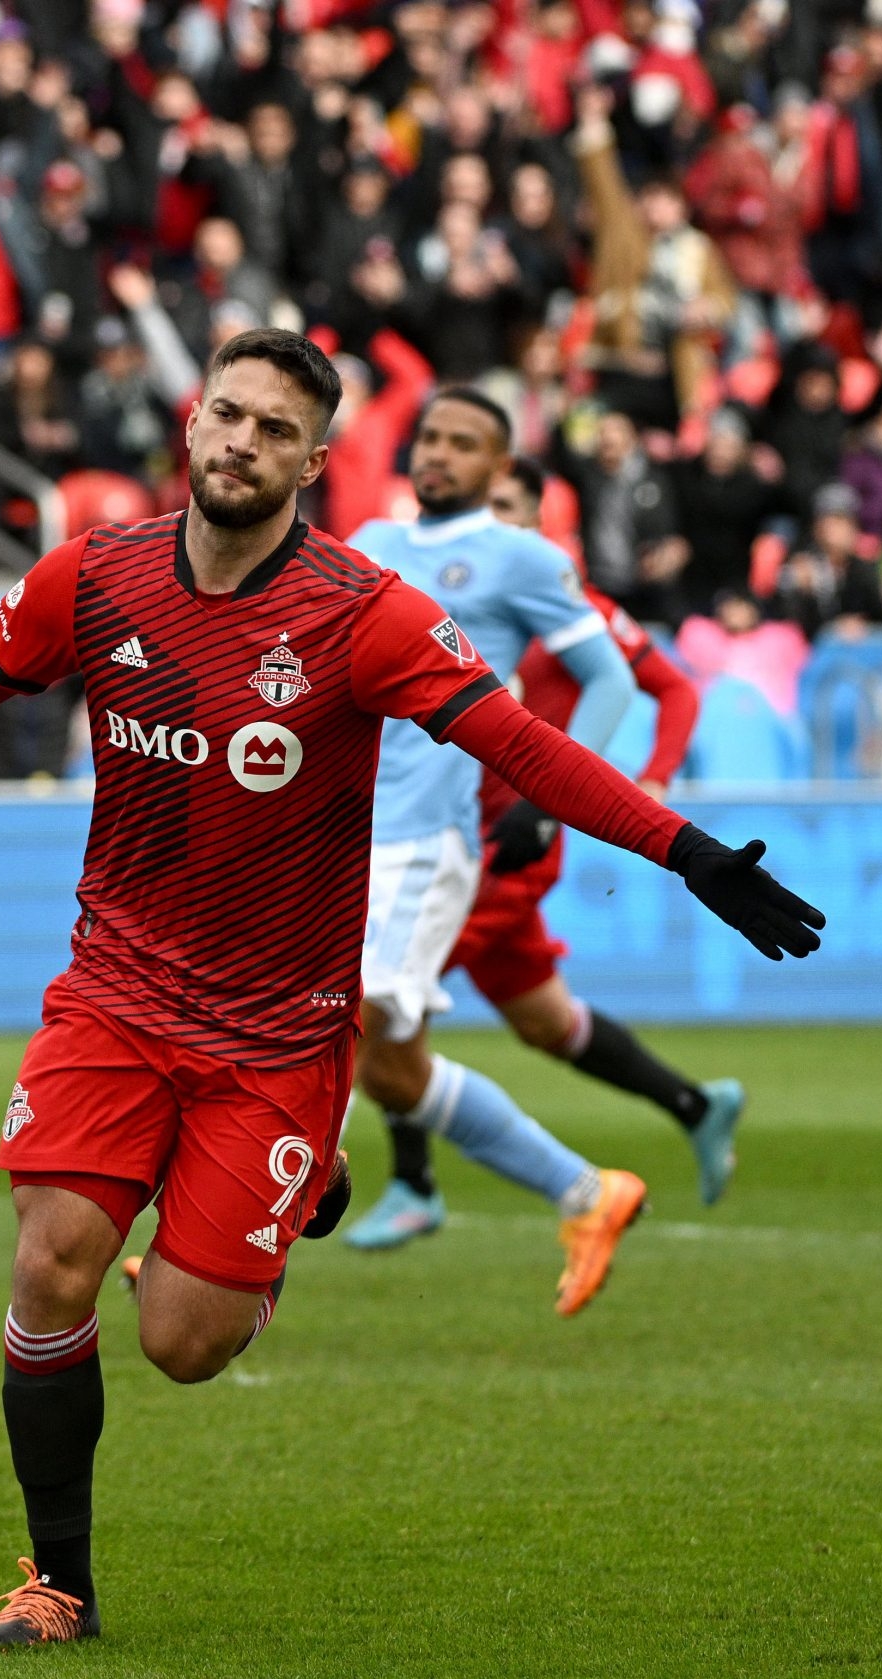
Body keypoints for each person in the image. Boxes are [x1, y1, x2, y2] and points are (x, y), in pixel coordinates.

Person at [0, 329, 825, 1648]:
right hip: (117, 987)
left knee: (187, 1342)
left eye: (274, 430)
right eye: (227, 413)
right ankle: (58, 1586)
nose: (241, 441)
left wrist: (689, 848)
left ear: (314, 463)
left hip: (279, 1029)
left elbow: (524, 745)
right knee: (52, 1267)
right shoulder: (99, 575)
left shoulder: (365, 614)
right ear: (191, 424)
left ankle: (297, 1184)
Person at [352, 457, 738, 1250]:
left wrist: (652, 776)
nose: (485, 523)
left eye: (504, 508)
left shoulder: (570, 605)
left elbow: (670, 687)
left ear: (536, 519)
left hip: (500, 847)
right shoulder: (446, 603)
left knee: (366, 1014)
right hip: (451, 831)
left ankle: (415, 1184)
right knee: (543, 1020)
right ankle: (695, 1104)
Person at [345, 390, 653, 1316]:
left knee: (339, 1025)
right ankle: (586, 1191)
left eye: (463, 444)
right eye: (431, 437)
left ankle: (222, 1238)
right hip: (339, 832)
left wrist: (551, 797)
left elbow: (614, 678)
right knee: (388, 1068)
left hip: (428, 839)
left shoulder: (524, 558)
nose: (438, 454)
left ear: (499, 468)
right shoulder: (369, 540)